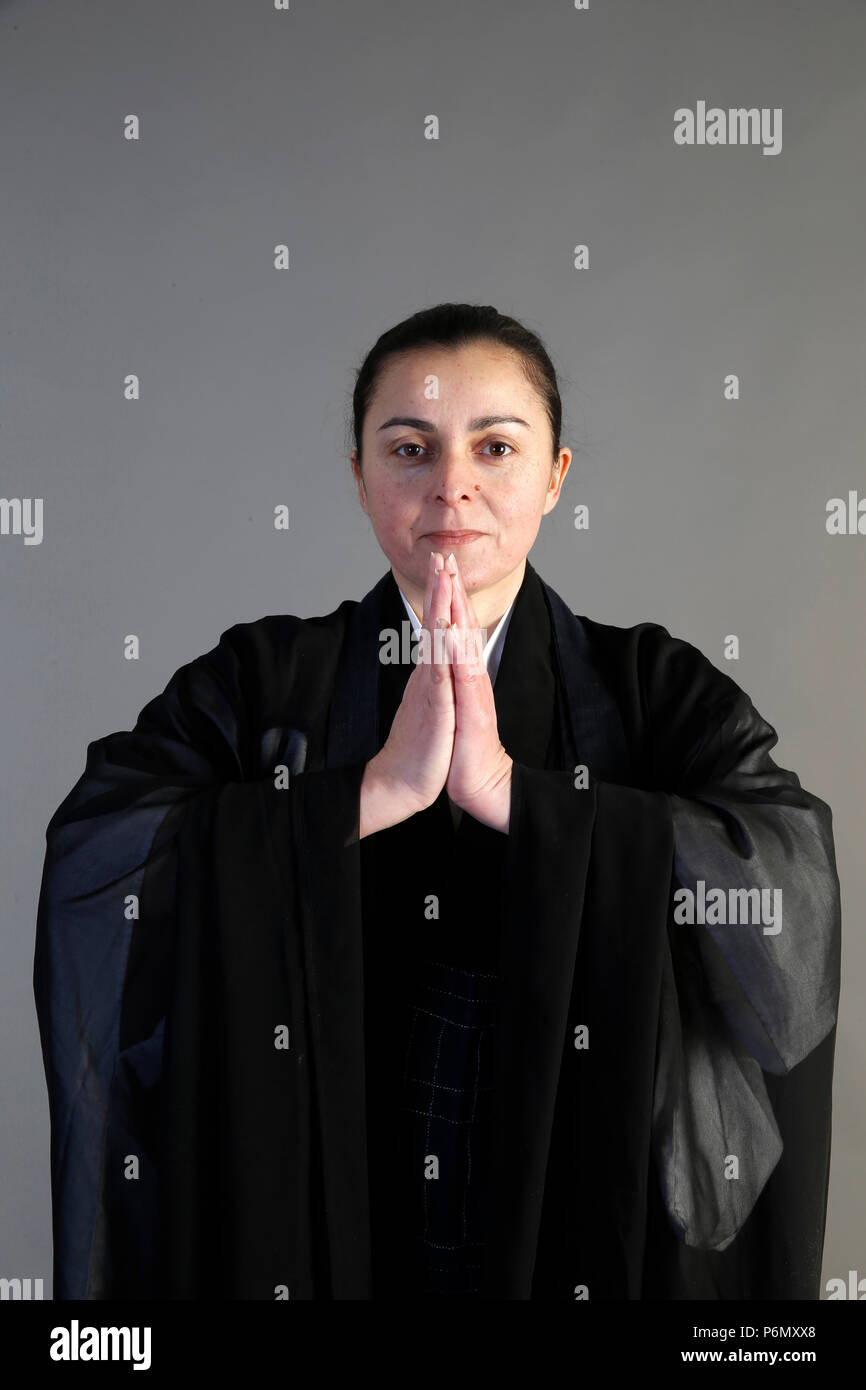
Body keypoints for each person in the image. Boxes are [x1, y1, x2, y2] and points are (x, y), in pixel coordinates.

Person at [34, 302, 841, 1301]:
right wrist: (362, 797)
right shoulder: (258, 679)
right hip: (326, 1182)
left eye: (494, 446)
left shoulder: (652, 688)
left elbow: (785, 879)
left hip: (578, 1182)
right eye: (408, 448)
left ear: (554, 476)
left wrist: (521, 802)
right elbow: (98, 852)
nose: (451, 483)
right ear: (359, 476)